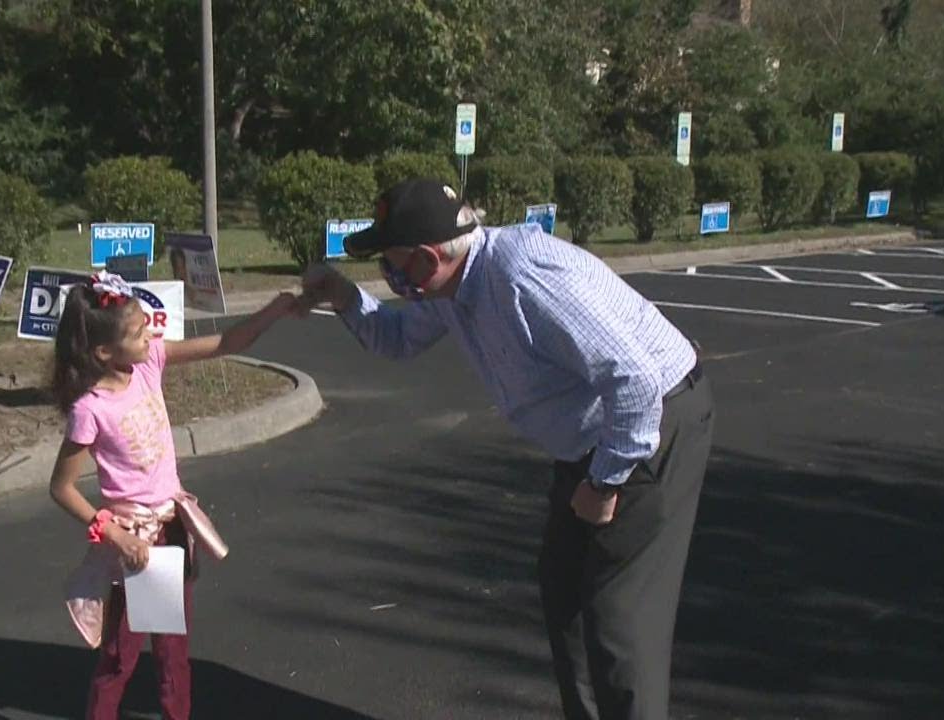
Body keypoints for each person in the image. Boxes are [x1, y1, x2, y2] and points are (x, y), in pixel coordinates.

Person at [296, 179, 714, 720]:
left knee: (619, 624)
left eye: (389, 262)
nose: (386, 274)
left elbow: (634, 383)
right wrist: (342, 295)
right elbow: (394, 338)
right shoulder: (451, 285)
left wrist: (605, 481)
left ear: (426, 259)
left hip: (650, 428)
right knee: (562, 592)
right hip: (591, 442)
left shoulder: (521, 276)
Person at [48, 270, 295, 720]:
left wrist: (275, 311)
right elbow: (61, 488)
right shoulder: (91, 409)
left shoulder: (147, 365)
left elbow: (227, 343)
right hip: (137, 544)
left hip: (171, 531)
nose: (150, 334)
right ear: (104, 351)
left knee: (172, 653)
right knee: (121, 657)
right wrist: (115, 536)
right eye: (139, 331)